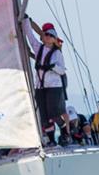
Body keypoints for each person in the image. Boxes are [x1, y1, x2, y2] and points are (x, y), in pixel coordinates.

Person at [23, 16, 69, 145]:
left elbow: (62, 70)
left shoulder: (57, 53)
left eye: (51, 35)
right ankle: (52, 140)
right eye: (46, 35)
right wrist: (26, 21)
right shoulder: (38, 48)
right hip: (40, 86)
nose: (48, 37)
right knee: (44, 116)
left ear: (54, 39)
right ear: (43, 37)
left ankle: (64, 131)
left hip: (54, 86)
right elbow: (30, 35)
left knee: (54, 113)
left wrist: (52, 67)